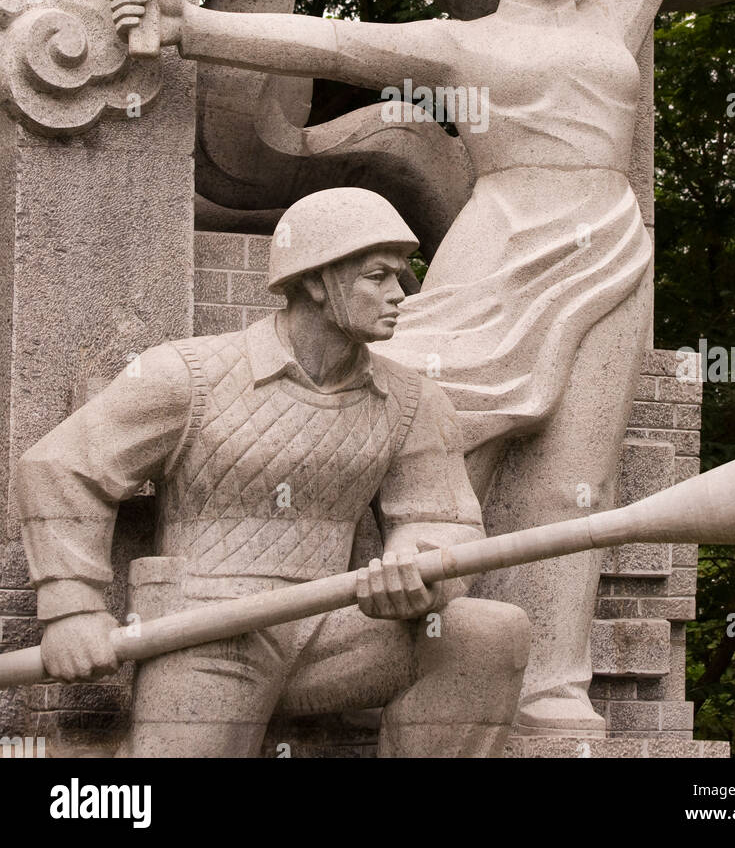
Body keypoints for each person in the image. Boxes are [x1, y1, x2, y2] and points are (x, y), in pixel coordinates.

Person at [108, 0, 735, 734]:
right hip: (497, 247)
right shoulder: (461, 44)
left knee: (570, 479)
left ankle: (549, 690)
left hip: (608, 251)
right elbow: (335, 44)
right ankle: (370, 639)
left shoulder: (614, 17)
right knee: (435, 431)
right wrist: (194, 24)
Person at [15, 189, 530, 758]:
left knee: (485, 633)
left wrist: (420, 566)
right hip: (208, 630)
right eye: (377, 277)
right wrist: (73, 609)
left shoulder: (412, 401)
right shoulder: (189, 375)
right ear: (315, 281)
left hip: (337, 625)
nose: (399, 294)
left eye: (399, 277)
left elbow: (440, 516)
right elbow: (60, 466)